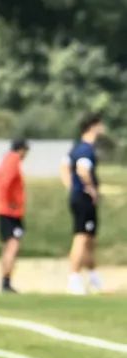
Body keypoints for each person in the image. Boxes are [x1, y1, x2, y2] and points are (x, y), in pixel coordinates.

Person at [63, 114, 106, 295]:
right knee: (81, 236)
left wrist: (70, 187)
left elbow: (64, 167)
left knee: (89, 238)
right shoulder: (86, 149)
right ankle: (74, 278)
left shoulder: (75, 147)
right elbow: (82, 169)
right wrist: (90, 189)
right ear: (93, 126)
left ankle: (93, 276)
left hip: (78, 196)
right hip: (84, 198)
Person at [0, 138, 28, 293]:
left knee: (8, 246)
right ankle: (6, 282)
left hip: (4, 210)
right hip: (11, 212)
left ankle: (5, 281)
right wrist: (10, 201)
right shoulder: (13, 161)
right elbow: (5, 182)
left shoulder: (6, 160)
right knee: (13, 246)